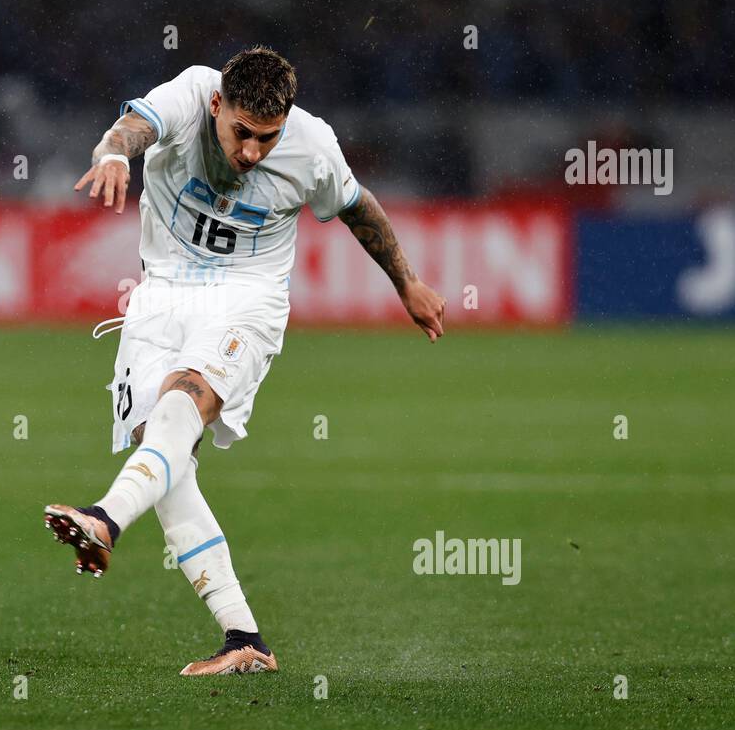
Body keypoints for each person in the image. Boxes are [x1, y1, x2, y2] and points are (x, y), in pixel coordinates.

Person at [44, 47, 446, 676]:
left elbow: (357, 205)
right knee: (166, 459)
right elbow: (133, 128)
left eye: (268, 138)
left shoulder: (311, 145)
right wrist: (114, 153)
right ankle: (243, 639)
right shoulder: (191, 92)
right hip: (159, 294)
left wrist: (407, 283)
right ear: (217, 107)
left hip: (247, 298)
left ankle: (105, 517)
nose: (253, 152)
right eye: (242, 133)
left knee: (184, 401)